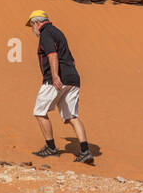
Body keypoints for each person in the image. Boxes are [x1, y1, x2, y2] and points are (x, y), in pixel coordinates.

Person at [26, 10, 94, 163]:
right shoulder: (58, 32)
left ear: (37, 23)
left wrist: (55, 75)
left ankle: (50, 148)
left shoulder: (46, 33)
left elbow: (52, 54)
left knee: (39, 111)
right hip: (73, 78)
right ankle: (85, 151)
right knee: (71, 116)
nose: (32, 29)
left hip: (56, 79)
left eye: (31, 25)